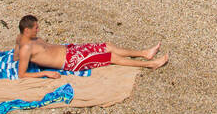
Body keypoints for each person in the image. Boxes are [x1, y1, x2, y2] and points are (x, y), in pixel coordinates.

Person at [15, 15, 167, 76]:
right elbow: (22, 75)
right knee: (110, 57)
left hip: (71, 50)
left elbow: (16, 55)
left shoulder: (23, 38)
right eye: (36, 28)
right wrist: (45, 73)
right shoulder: (26, 48)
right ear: (27, 30)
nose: (38, 29)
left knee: (107, 46)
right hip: (72, 61)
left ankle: (144, 53)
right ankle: (150, 64)